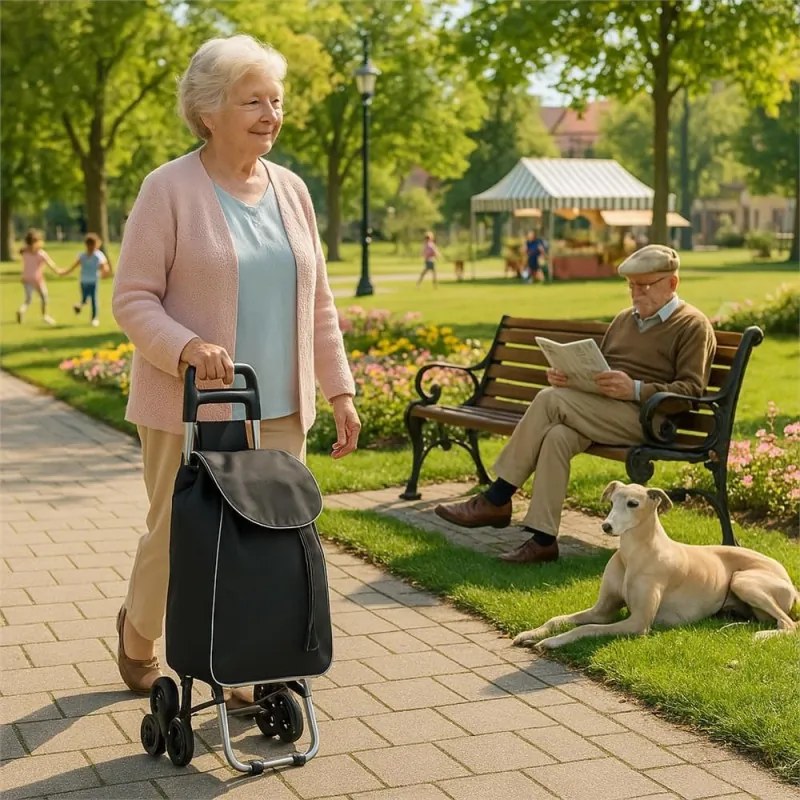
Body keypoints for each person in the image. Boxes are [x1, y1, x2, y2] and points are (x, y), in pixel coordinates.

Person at [111, 34, 361, 698]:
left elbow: (320, 302)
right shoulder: (168, 189)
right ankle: (138, 634)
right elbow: (132, 298)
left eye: (276, 101)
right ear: (208, 110)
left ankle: (247, 670)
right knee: (176, 537)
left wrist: (339, 389)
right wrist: (186, 347)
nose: (270, 114)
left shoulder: (293, 191)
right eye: (253, 101)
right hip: (191, 407)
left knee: (264, 544)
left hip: (280, 404)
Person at [434, 244, 716, 564]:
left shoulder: (692, 325)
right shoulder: (625, 320)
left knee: (548, 400)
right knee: (557, 436)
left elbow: (691, 393)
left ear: (672, 283)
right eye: (631, 286)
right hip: (605, 411)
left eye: (645, 286)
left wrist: (636, 389)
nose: (636, 293)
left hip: (650, 419)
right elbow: (602, 371)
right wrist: (572, 378)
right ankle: (543, 540)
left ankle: (497, 497)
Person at [61, 233, 112, 327]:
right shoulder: (82, 256)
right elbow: (74, 266)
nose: (91, 247)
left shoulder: (98, 255)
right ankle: (79, 306)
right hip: (84, 281)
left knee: (93, 299)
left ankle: (94, 318)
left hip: (93, 281)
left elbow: (104, 266)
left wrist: (105, 272)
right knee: (84, 299)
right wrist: (65, 272)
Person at [17, 229, 60, 325]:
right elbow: (51, 264)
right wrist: (59, 271)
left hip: (26, 278)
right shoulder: (41, 253)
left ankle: (21, 310)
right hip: (37, 278)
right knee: (44, 297)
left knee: (28, 299)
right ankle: (45, 316)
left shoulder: (25, 252)